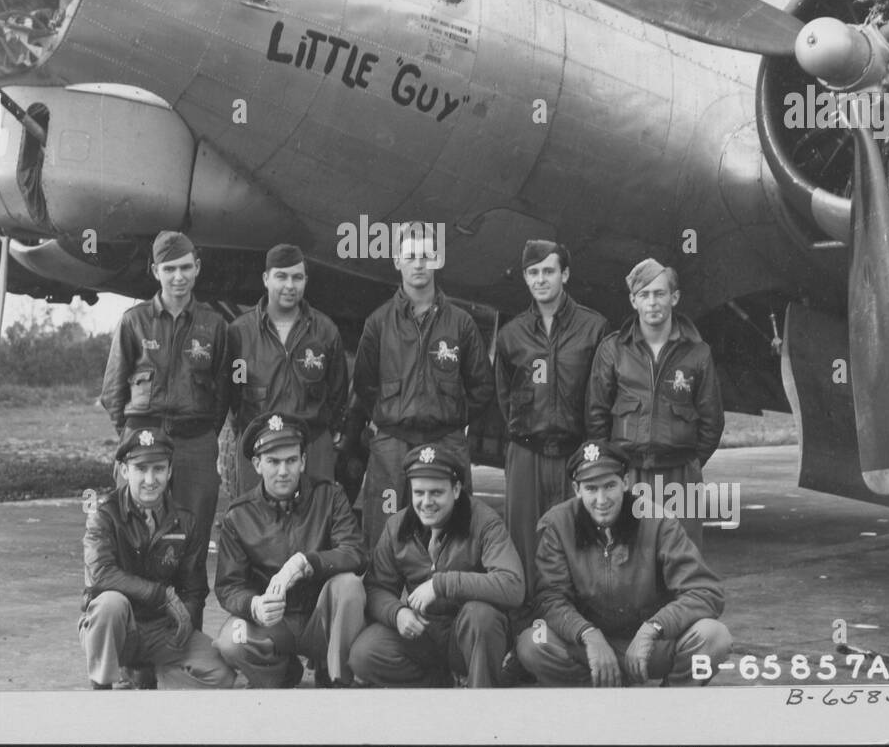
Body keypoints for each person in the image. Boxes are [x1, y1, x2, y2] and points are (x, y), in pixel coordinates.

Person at [515, 440, 732, 687]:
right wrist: (587, 634)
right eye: (591, 488)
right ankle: (593, 697)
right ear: (576, 489)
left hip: (650, 647)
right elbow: (550, 598)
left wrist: (654, 628)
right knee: (533, 643)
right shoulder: (558, 524)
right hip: (590, 649)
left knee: (714, 636)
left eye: (610, 486)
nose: (601, 499)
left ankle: (673, 703)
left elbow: (705, 591)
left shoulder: (657, 520)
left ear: (626, 483)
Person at [99, 230, 230, 624]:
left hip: (194, 444)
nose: (178, 277)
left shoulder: (214, 325)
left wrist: (204, 436)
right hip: (143, 439)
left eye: (186, 267)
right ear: (155, 271)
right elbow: (112, 391)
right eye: (169, 268)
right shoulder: (134, 321)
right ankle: (135, 653)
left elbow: (222, 394)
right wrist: (132, 441)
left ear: (197, 269)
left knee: (190, 544)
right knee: (134, 540)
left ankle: (188, 636)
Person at [343, 224, 494, 549]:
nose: (419, 263)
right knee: (383, 537)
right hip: (391, 448)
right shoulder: (379, 322)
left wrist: (451, 416)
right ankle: (381, 598)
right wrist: (390, 415)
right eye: (411, 256)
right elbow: (365, 384)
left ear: (438, 259)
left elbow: (482, 385)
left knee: (453, 538)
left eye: (426, 255)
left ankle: (445, 598)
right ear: (397, 260)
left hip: (446, 443)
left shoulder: (461, 324)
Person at [494, 239, 608, 620]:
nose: (540, 279)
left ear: (565, 274)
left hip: (576, 454)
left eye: (548, 271)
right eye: (533, 272)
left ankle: (576, 628)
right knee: (524, 547)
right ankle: (525, 633)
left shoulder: (593, 328)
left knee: (577, 543)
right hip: (527, 451)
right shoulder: (511, 335)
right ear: (525, 278)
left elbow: (601, 395)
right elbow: (503, 395)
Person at [349, 443, 524, 688]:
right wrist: (397, 613)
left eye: (436, 493)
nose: (426, 502)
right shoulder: (397, 526)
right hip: (424, 633)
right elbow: (376, 587)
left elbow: (512, 584)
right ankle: (438, 685)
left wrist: (442, 584)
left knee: (481, 617)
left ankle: (481, 702)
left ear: (456, 489)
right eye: (419, 493)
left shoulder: (484, 521)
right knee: (364, 653)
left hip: (469, 634)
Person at [214, 412, 367, 688]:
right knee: (230, 640)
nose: (283, 471)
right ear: (258, 464)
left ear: (303, 461)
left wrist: (306, 562)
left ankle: (335, 676)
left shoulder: (330, 496)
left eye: (291, 461)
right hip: (273, 622)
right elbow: (228, 586)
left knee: (350, 585)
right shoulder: (239, 515)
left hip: (319, 617)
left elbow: (355, 552)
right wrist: (254, 605)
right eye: (273, 462)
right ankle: (281, 674)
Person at [79, 427, 235, 690]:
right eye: (141, 469)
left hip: (160, 629)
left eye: (158, 469)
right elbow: (101, 574)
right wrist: (162, 595)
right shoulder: (104, 514)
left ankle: (158, 678)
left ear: (170, 471)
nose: (150, 479)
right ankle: (102, 689)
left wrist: (186, 619)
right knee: (109, 604)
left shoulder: (185, 521)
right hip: (120, 628)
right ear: (125, 471)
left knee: (221, 675)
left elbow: (194, 588)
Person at [583, 257, 724, 545]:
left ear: (674, 297)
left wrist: (692, 465)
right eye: (644, 295)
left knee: (683, 559)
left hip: (680, 475)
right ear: (633, 301)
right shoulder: (613, 350)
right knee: (631, 559)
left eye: (659, 293)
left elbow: (712, 419)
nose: (652, 302)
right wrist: (613, 470)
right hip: (630, 475)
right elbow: (596, 416)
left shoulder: (697, 353)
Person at [226, 244, 348, 497]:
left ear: (305, 281)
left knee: (315, 524)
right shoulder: (240, 333)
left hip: (312, 445)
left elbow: (338, 392)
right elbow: (233, 394)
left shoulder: (325, 331)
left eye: (297, 277)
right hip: (259, 446)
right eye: (281, 276)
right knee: (254, 526)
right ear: (266, 279)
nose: (290, 286)